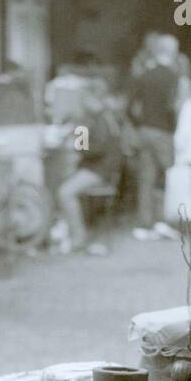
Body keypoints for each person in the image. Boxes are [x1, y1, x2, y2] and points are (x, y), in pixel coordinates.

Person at [55, 78, 123, 252]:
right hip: (102, 167)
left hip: (99, 169)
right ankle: (67, 232)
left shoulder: (97, 119)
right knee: (65, 179)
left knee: (64, 192)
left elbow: (92, 148)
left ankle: (78, 237)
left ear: (93, 98)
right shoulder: (103, 116)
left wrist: (74, 142)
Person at [127, 34, 181, 240]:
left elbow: (130, 107)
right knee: (164, 177)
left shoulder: (144, 75)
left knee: (146, 177)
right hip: (163, 131)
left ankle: (144, 224)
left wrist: (138, 124)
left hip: (145, 131)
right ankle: (161, 221)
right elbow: (171, 106)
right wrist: (173, 127)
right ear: (171, 52)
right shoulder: (172, 76)